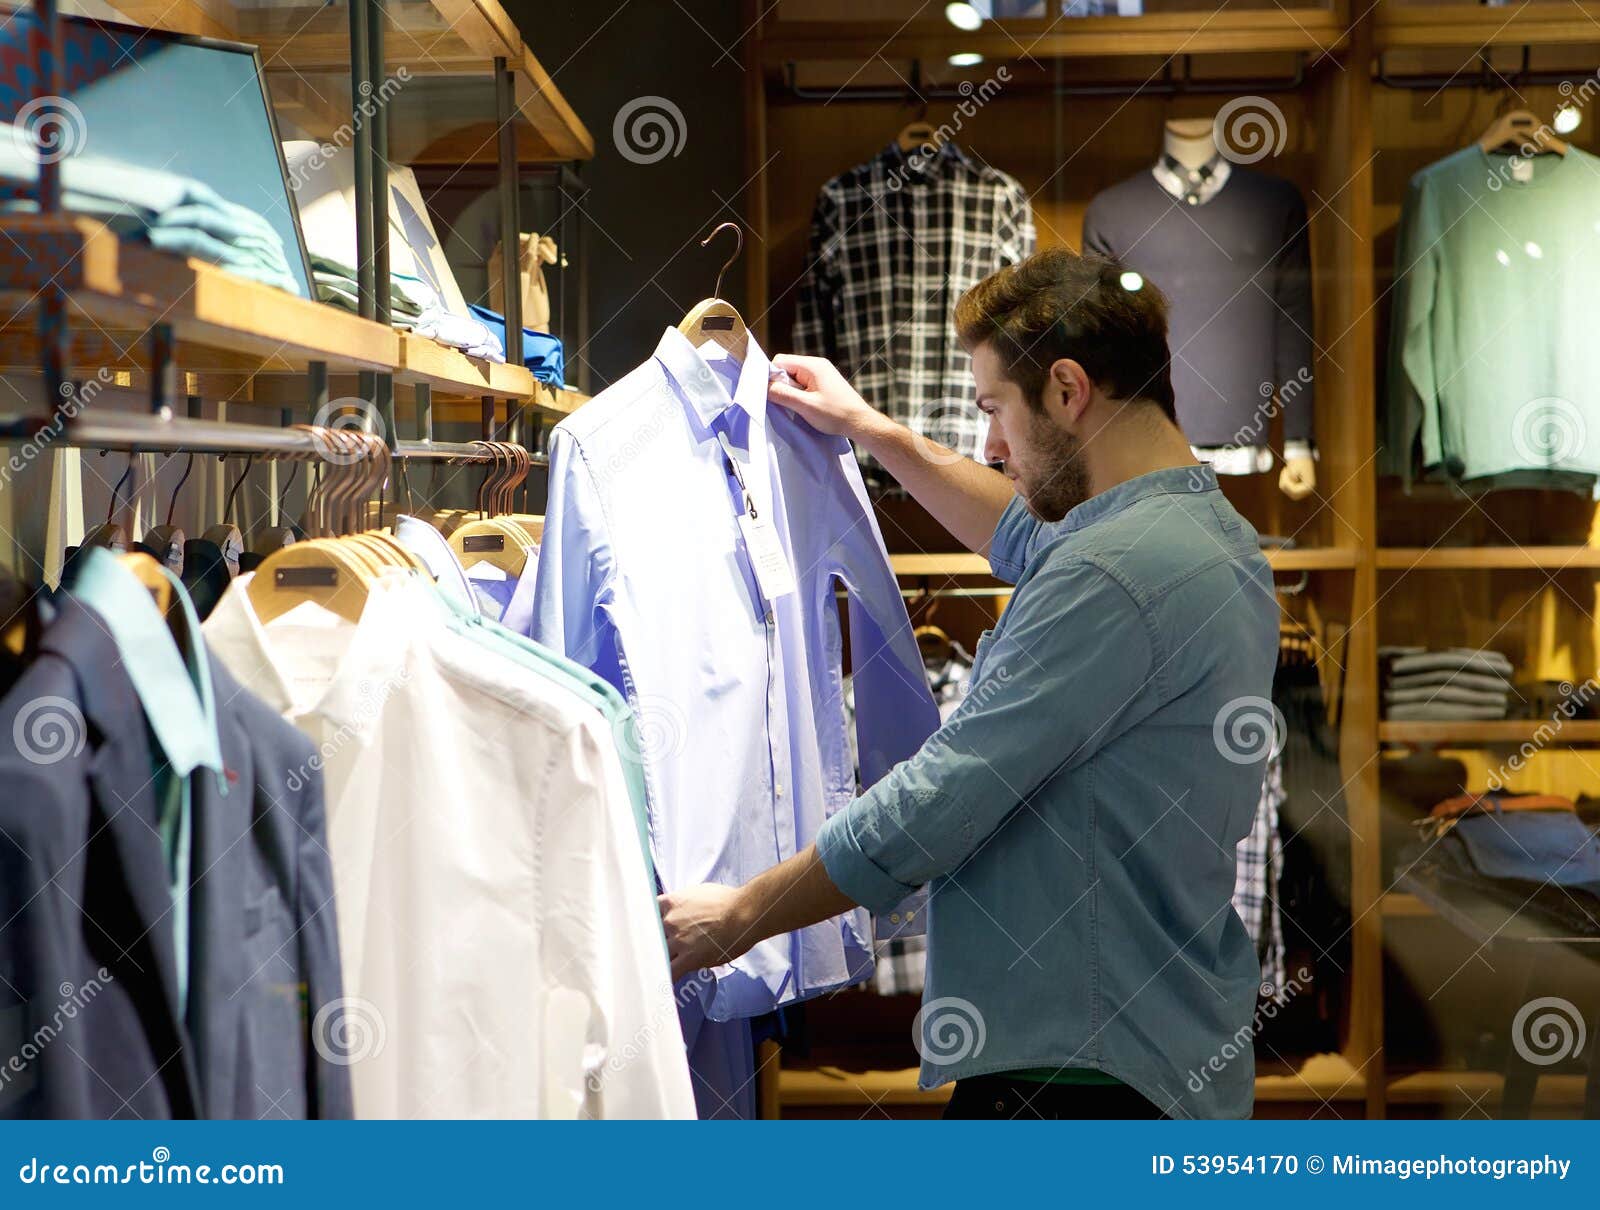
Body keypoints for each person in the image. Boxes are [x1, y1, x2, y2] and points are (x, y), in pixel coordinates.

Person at [659, 247, 1280, 1120]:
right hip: (1140, 1048)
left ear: (1068, 390)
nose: (990, 444)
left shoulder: (1113, 573)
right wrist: (873, 432)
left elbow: (944, 796)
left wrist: (740, 916)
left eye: (993, 409)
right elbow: (1020, 530)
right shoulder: (1192, 531)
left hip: (1079, 1085)